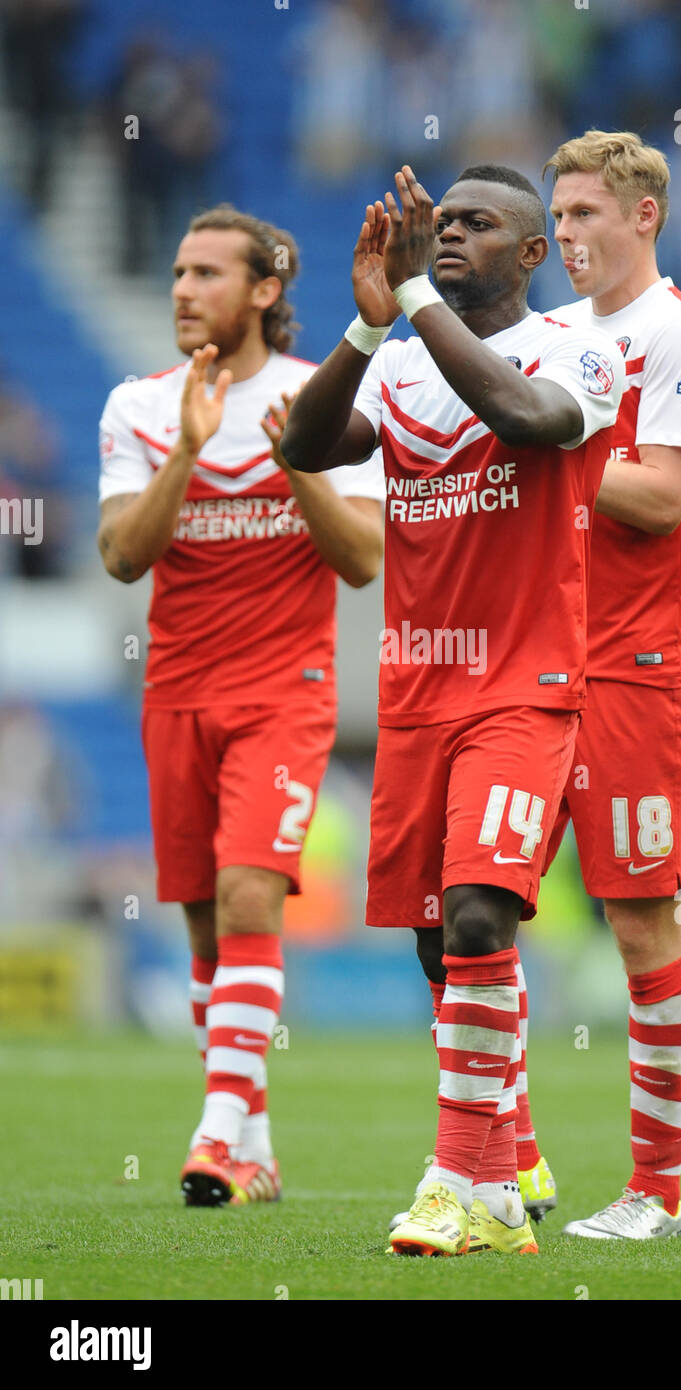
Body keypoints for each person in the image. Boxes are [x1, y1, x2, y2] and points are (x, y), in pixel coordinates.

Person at [280, 162, 624, 1255]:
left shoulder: (575, 348)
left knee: (481, 914)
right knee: (441, 950)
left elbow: (524, 418)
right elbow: (297, 448)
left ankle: (451, 1182)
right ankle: (505, 1162)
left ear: (532, 254)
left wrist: (420, 309)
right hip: (417, 698)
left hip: (523, 688)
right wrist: (367, 318)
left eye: (476, 224)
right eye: (442, 222)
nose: (446, 234)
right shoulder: (403, 365)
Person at [97, 204, 385, 1206]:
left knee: (249, 896)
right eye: (177, 272)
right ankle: (253, 1144)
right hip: (175, 692)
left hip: (284, 696)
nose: (183, 290)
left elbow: (360, 562)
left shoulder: (327, 400)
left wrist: (292, 463)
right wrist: (185, 451)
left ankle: (215, 1135)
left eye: (207, 273)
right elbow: (122, 556)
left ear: (265, 291)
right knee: (205, 936)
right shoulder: (136, 406)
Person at [533, 131, 681, 1239]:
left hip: (633, 668)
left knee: (638, 920)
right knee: (462, 905)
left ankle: (652, 1194)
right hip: (528, 660)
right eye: (555, 217)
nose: (564, 236)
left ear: (642, 214)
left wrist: (538, 439)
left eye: (582, 215)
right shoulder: (547, 337)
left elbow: (658, 498)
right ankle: (498, 1161)